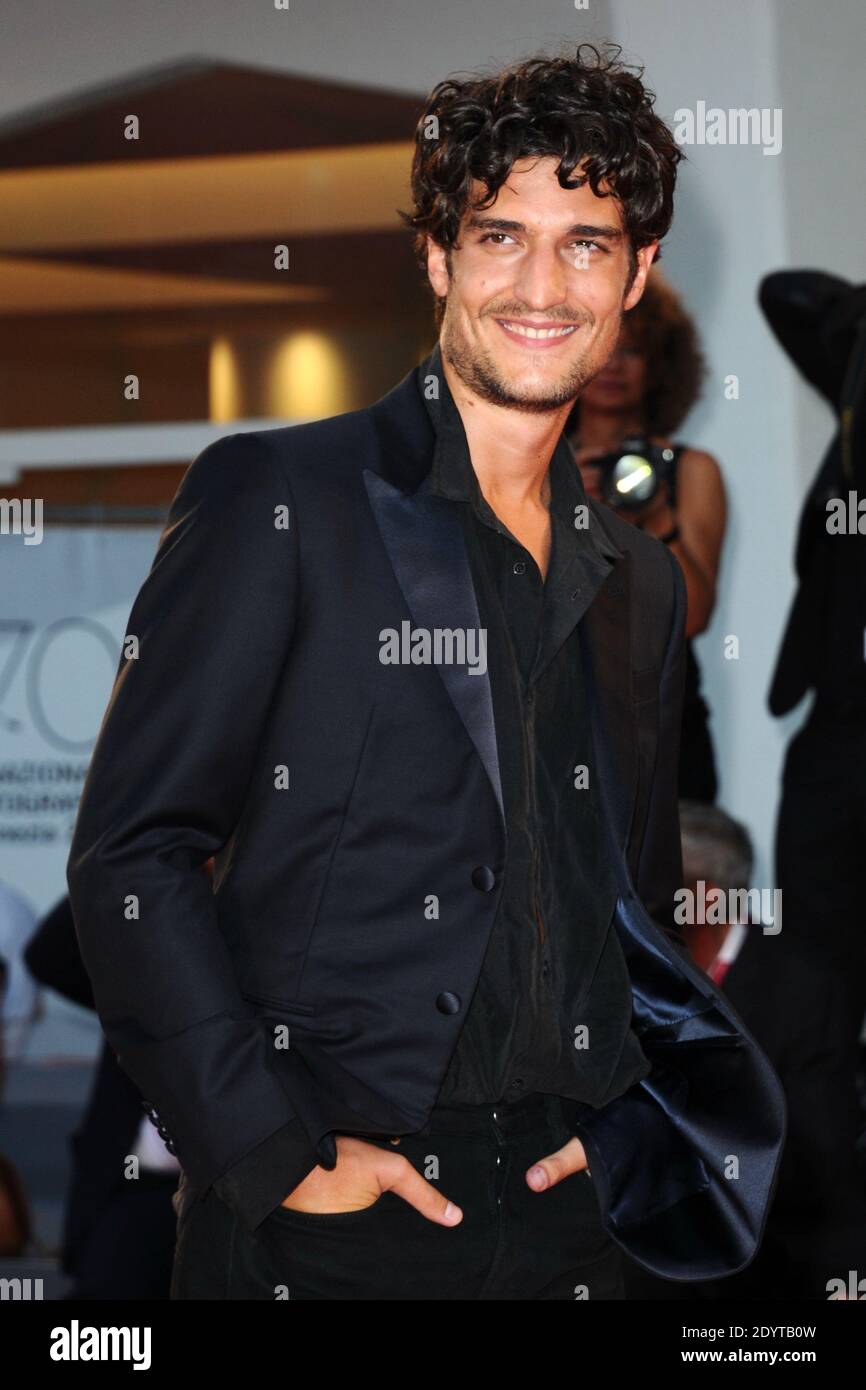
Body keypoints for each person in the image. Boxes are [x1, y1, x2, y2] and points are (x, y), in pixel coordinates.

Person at [66, 42, 784, 1302]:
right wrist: (270, 1148)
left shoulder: (642, 579)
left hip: (578, 1214)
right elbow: (130, 856)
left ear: (636, 279)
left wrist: (628, 1117)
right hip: (337, 1214)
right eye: (500, 235)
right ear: (438, 258)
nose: (540, 282)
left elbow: (634, 900)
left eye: (585, 243)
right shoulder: (281, 499)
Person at [625, 802, 866, 1301]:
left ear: (704, 899)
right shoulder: (626, 974)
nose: (630, 903)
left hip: (762, 1247)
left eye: (646, 889)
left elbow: (818, 1157)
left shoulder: (803, 990)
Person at [566, 270, 726, 802]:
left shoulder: (691, 470)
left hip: (664, 710)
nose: (613, 365)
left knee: (679, 875)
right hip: (566, 704)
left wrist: (654, 516)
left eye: (632, 352)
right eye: (603, 345)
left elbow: (695, 616)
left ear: (658, 367)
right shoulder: (541, 468)